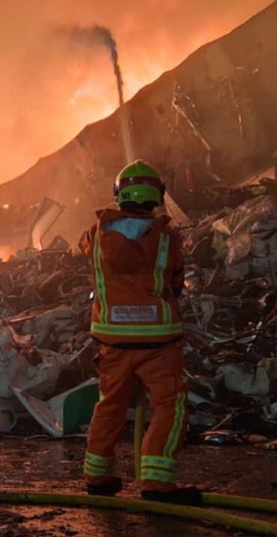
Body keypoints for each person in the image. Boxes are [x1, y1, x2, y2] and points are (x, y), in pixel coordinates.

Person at [78, 160, 200, 504]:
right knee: (169, 406)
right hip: (159, 342)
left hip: (112, 341)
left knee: (110, 406)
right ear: (157, 195)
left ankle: (97, 478)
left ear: (119, 194)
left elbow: (83, 250)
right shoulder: (166, 238)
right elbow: (176, 282)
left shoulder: (95, 235)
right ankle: (157, 484)